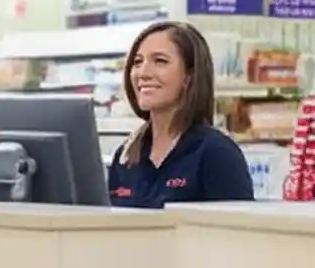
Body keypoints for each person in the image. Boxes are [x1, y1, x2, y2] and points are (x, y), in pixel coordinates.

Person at [108, 20, 254, 208]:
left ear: (189, 76)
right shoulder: (126, 156)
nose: (143, 73)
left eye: (160, 61)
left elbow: (239, 232)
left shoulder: (216, 152)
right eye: (137, 62)